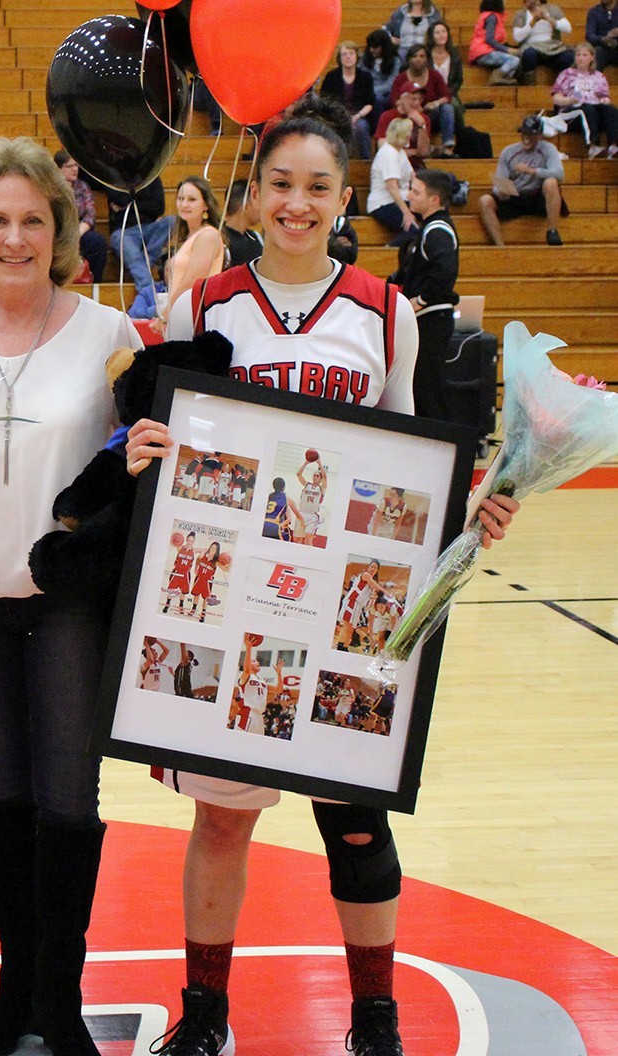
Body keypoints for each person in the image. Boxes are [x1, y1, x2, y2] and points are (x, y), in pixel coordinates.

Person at [126, 94, 519, 1056]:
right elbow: (176, 445)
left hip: (346, 611)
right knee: (222, 825)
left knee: (355, 823)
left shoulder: (387, 315)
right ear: (253, 195)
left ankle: (374, 1019)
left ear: (345, 198)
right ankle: (207, 1014)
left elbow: (407, 472)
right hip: (230, 604)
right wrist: (142, 450)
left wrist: (469, 511)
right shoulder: (202, 305)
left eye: (317, 187)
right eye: (279, 185)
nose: (296, 204)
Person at [0, 135, 143, 1056]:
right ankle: (16, 994)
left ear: (62, 230)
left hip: (66, 608)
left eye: (32, 220)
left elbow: (135, 475)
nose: (13, 237)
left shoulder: (107, 336)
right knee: (1, 792)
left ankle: (61, 998)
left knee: (68, 798)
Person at [389, 168, 461, 422]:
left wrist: (419, 301)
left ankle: (443, 446)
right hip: (428, 318)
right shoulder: (428, 228)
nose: (408, 196)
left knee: (428, 387)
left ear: (434, 200)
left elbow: (445, 271)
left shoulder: (437, 230)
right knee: (422, 386)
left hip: (432, 320)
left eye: (415, 191)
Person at [478, 114, 568, 245]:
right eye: (524, 133)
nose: (527, 138)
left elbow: (560, 174)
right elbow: (499, 182)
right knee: (485, 200)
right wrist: (502, 192)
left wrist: (533, 171)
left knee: (551, 182)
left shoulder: (548, 149)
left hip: (537, 195)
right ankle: (500, 245)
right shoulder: (509, 152)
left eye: (531, 134)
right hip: (516, 196)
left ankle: (552, 230)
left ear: (540, 136)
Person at [158, 177, 224, 329]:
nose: (184, 204)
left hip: (198, 318)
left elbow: (193, 281)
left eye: (192, 199)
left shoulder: (208, 235)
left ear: (206, 205)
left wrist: (166, 314)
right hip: (183, 317)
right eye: (181, 199)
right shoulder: (187, 237)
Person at [107, 176, 171, 319]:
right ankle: (150, 295)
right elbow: (119, 198)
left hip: (150, 227)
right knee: (133, 255)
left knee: (172, 221)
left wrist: (130, 203)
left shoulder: (152, 176)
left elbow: (159, 207)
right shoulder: (116, 176)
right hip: (124, 230)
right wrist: (142, 204)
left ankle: (148, 259)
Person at [553, 41, 618, 155]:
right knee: (587, 108)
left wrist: (603, 101)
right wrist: (569, 100)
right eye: (578, 55)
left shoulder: (599, 76)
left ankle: (613, 145)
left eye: (584, 55)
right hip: (572, 112)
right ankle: (593, 145)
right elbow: (556, 98)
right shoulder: (566, 74)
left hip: (593, 111)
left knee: (610, 109)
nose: (580, 58)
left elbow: (605, 97)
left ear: (592, 57)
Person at [390, 45, 457, 154]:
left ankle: (448, 146)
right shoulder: (401, 78)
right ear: (409, 59)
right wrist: (410, 108)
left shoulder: (435, 75)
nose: (418, 59)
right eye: (415, 56)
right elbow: (394, 100)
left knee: (448, 108)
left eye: (422, 56)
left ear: (427, 59)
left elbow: (447, 96)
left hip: (430, 114)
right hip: (409, 117)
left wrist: (436, 103)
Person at [55, 150, 108, 281]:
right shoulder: (53, 188)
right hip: (60, 232)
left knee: (97, 242)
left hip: (80, 231)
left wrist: (77, 234)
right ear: (59, 168)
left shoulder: (83, 186)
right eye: (69, 166)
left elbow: (90, 214)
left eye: (76, 165)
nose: (74, 169)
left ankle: (94, 282)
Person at [321, 41, 379, 157]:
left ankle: (365, 162)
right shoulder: (331, 77)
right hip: (336, 116)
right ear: (340, 58)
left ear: (357, 56)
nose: (348, 57)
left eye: (351, 53)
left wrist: (357, 116)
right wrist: (340, 117)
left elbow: (369, 103)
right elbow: (325, 102)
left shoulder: (365, 77)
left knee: (361, 127)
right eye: (344, 54)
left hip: (359, 116)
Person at [367, 117, 420, 245]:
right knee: (414, 231)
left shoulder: (399, 151)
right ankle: (389, 249)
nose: (410, 136)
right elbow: (392, 187)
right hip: (383, 203)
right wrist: (406, 213)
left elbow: (413, 175)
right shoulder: (388, 153)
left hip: (399, 199)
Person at [513, 0, 577, 78]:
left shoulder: (553, 9)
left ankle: (563, 84)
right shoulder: (521, 14)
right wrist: (533, 21)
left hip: (553, 47)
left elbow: (568, 28)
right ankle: (529, 87)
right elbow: (517, 37)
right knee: (529, 54)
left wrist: (548, 18)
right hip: (531, 47)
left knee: (569, 56)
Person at [427, 20, 467, 141]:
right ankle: (462, 134)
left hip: (448, 93)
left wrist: (446, 94)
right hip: (430, 94)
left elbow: (458, 81)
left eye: (443, 32)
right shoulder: (427, 56)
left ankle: (462, 135)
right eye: (437, 32)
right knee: (451, 105)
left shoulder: (454, 55)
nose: (441, 35)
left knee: (453, 103)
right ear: (431, 36)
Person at [374, 84, 432, 165]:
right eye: (413, 99)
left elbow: (424, 152)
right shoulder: (387, 116)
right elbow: (383, 148)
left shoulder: (423, 119)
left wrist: (421, 125)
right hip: (392, 164)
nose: (417, 103)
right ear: (402, 99)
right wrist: (414, 152)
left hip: (415, 166)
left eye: (420, 99)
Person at [471, 0, 524, 83]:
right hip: (483, 53)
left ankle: (505, 79)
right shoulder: (492, 17)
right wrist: (507, 50)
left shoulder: (489, 16)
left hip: (483, 52)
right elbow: (489, 39)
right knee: (514, 60)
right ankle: (497, 77)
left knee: (516, 59)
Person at [221, 179, 262, 268]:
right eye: (258, 203)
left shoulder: (256, 237)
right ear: (246, 206)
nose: (261, 208)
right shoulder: (219, 240)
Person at [364, 29, 403, 114]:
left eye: (375, 47)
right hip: (367, 92)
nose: (371, 50)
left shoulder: (395, 61)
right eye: (370, 47)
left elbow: (390, 84)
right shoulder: (364, 59)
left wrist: (370, 91)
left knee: (378, 99)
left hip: (385, 94)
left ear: (384, 47)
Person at [587, 0, 618, 68]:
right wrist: (603, 39)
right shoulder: (594, 12)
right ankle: (595, 78)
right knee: (597, 51)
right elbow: (589, 35)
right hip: (602, 48)